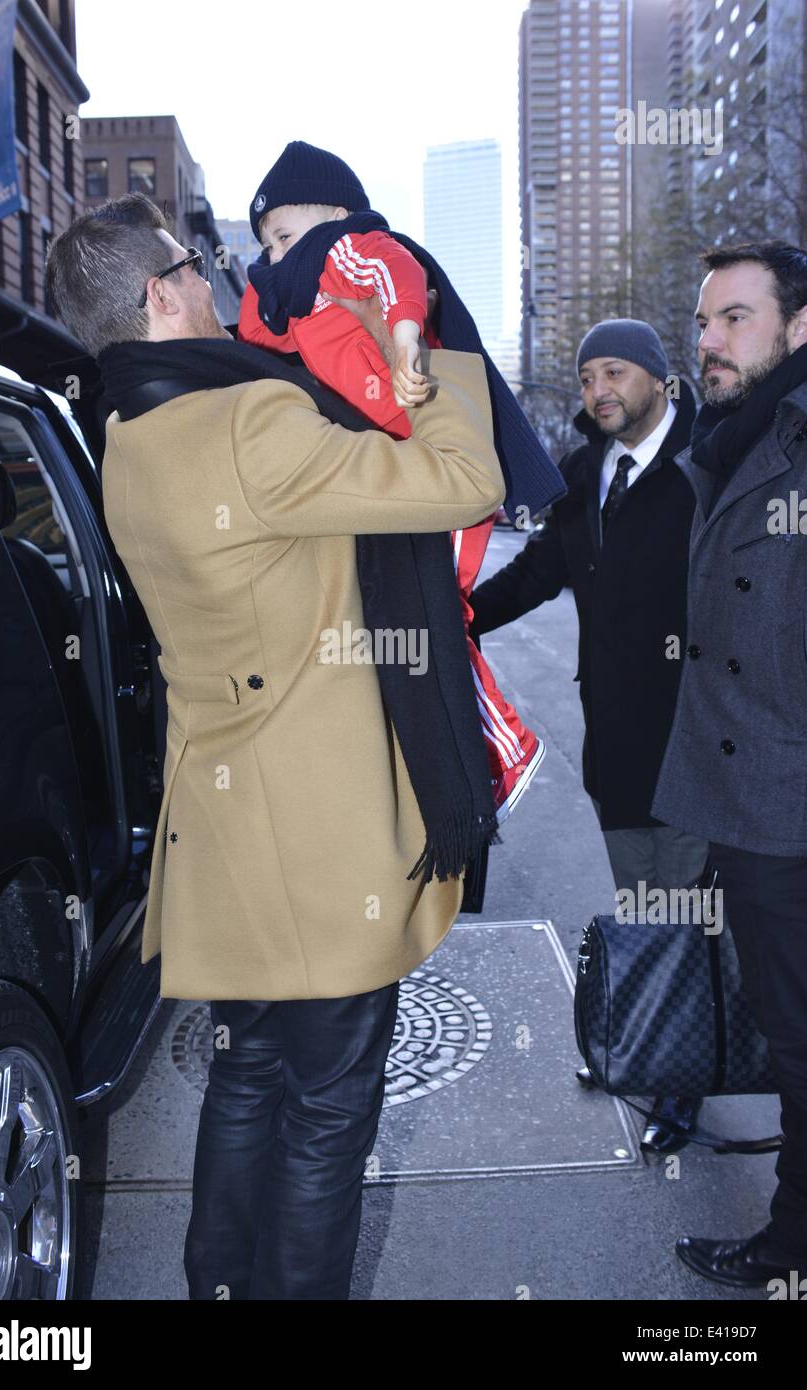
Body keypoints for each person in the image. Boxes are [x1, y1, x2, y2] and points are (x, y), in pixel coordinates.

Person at [45, 191, 507, 1300]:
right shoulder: (246, 421)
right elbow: (465, 482)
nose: (215, 279)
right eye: (195, 266)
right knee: (328, 1109)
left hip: (226, 839)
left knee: (249, 1075)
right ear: (162, 295)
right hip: (318, 840)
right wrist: (432, 344)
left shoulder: (128, 433)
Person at [237, 140, 565, 824]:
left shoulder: (344, 250)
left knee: (442, 609)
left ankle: (503, 749)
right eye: (267, 243)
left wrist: (406, 335)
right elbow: (252, 354)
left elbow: (394, 271)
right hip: (396, 465)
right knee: (415, 610)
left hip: (444, 453)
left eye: (285, 235)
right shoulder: (282, 300)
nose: (275, 255)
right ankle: (465, 756)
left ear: (334, 216)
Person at [468, 320, 708, 1155]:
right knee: (641, 905)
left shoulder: (706, 464)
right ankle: (645, 1044)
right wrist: (452, 619)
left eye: (614, 372)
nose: (597, 390)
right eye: (585, 378)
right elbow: (538, 574)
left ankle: (681, 1076)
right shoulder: (581, 474)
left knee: (684, 910)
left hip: (695, 739)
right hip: (615, 741)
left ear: (656, 378)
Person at [652, 241, 807, 1289]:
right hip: (746, 796)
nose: (707, 340)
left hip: (785, 806)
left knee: (797, 1042)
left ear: (798, 327)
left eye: (735, 318)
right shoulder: (740, 435)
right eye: (703, 320)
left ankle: (792, 1245)